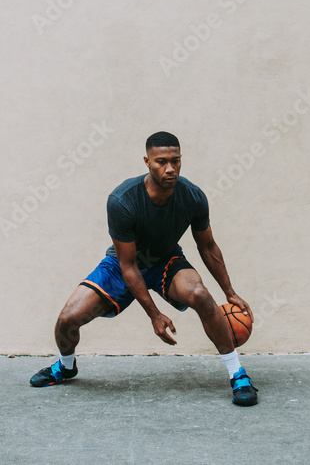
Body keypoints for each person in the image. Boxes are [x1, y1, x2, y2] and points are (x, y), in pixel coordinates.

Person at [29, 131, 258, 406]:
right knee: (67, 320)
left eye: (176, 161)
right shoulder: (123, 200)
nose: (170, 168)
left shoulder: (193, 197)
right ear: (147, 162)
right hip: (122, 264)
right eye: (161, 161)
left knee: (200, 295)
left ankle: (238, 374)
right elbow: (128, 265)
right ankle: (66, 367)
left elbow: (207, 247)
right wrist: (154, 314)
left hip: (166, 260)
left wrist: (229, 292)